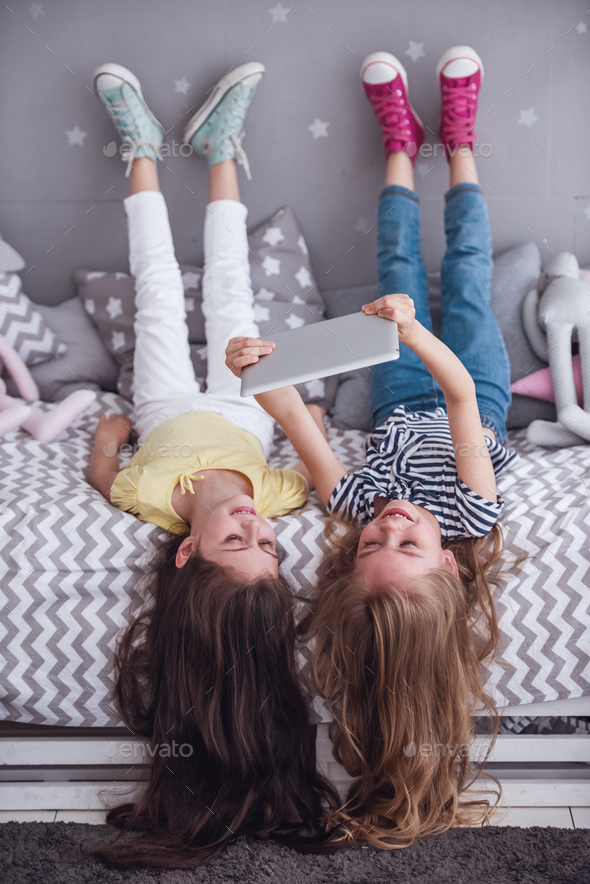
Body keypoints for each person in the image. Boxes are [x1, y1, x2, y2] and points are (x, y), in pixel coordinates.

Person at [226, 46, 515, 848]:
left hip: (393, 393)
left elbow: (296, 422)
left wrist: (253, 368)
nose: (388, 521)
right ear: (448, 561)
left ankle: (398, 140)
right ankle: (459, 142)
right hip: (474, 387)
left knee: (391, 265)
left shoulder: (353, 508)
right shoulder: (469, 512)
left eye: (372, 545)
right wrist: (412, 331)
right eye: (407, 541)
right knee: (466, 275)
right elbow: (460, 396)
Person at [86, 62, 339, 867]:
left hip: (161, 407)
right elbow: (317, 458)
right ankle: (222, 149)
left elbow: (104, 476)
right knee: (232, 290)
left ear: (189, 551)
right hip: (246, 403)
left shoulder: (150, 498)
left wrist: (111, 432)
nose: (258, 528)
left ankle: (141, 155)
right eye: (271, 546)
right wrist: (303, 413)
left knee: (158, 289)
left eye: (241, 543)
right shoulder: (276, 494)